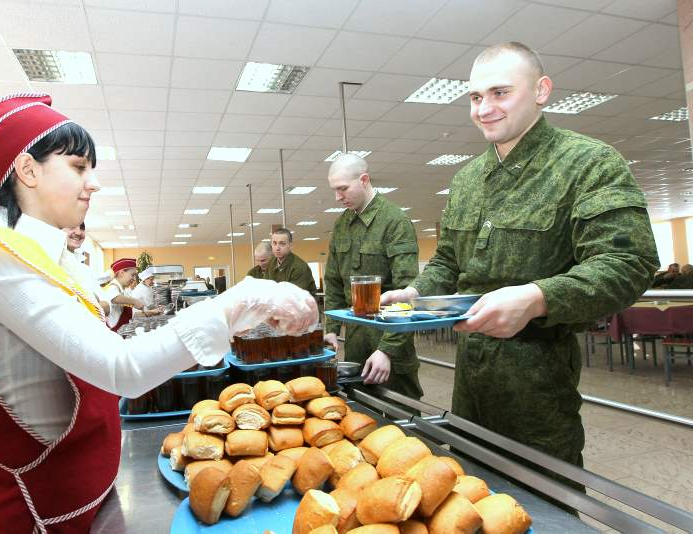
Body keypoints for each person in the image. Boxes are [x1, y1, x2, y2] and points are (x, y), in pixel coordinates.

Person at [0, 93, 318, 532]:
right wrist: (243, 301)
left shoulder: (43, 256)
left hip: (82, 491)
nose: (92, 183)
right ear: (28, 169)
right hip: (35, 513)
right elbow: (123, 368)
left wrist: (243, 312)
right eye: (78, 167)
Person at [381, 42, 658, 483]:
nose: (484, 109)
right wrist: (418, 291)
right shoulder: (468, 180)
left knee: (544, 500)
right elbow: (449, 261)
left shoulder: (588, 163)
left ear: (542, 90)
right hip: (470, 381)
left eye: (500, 93)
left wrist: (538, 297)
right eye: (475, 97)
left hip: (539, 386)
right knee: (471, 494)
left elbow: (629, 262)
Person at [323, 153, 422, 398]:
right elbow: (334, 281)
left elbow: (406, 289)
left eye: (343, 189)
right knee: (361, 411)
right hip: (357, 338)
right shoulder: (341, 225)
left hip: (391, 338)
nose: (338, 197)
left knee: (403, 413)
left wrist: (387, 350)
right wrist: (331, 328)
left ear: (364, 180)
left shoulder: (394, 220)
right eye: (334, 190)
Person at [62, 222, 109, 316]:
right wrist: (99, 305)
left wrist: (99, 305)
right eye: (71, 226)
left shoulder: (82, 260)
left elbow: (106, 304)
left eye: (82, 228)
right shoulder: (54, 259)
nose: (79, 232)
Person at [102, 258, 151, 332]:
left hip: (120, 331)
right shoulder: (113, 287)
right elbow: (114, 298)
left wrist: (151, 312)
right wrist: (134, 301)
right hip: (113, 333)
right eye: (133, 275)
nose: (134, 279)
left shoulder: (122, 290)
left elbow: (130, 314)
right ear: (122, 273)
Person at [268, 228, 317, 296]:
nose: (277, 248)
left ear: (290, 245)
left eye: (282, 244)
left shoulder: (299, 267)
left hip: (301, 304)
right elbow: (266, 287)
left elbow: (294, 297)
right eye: (274, 243)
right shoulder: (271, 262)